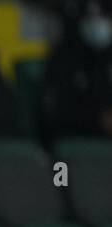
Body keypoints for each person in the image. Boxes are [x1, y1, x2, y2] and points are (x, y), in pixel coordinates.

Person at [41, 0, 112, 138]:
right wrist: (99, 120)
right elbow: (55, 113)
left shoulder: (107, 56)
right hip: (77, 145)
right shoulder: (63, 58)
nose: (99, 22)